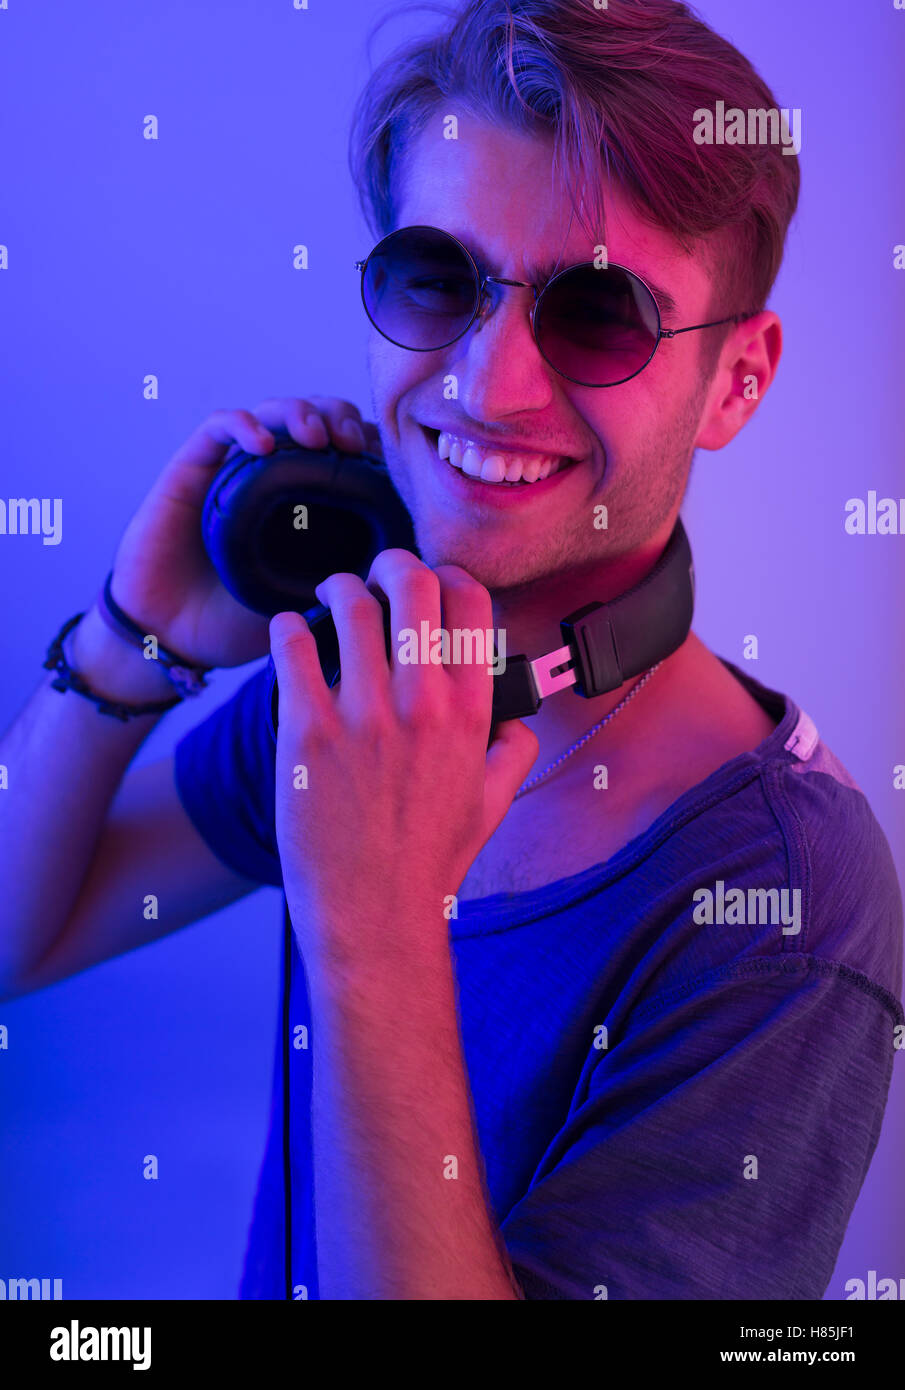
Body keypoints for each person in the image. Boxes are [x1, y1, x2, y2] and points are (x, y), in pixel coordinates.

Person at [1, 0, 901, 1301]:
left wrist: (372, 925)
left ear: (738, 381)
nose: (486, 386)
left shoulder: (785, 900)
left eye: (598, 315)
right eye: (439, 279)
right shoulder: (368, 683)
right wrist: (133, 648)